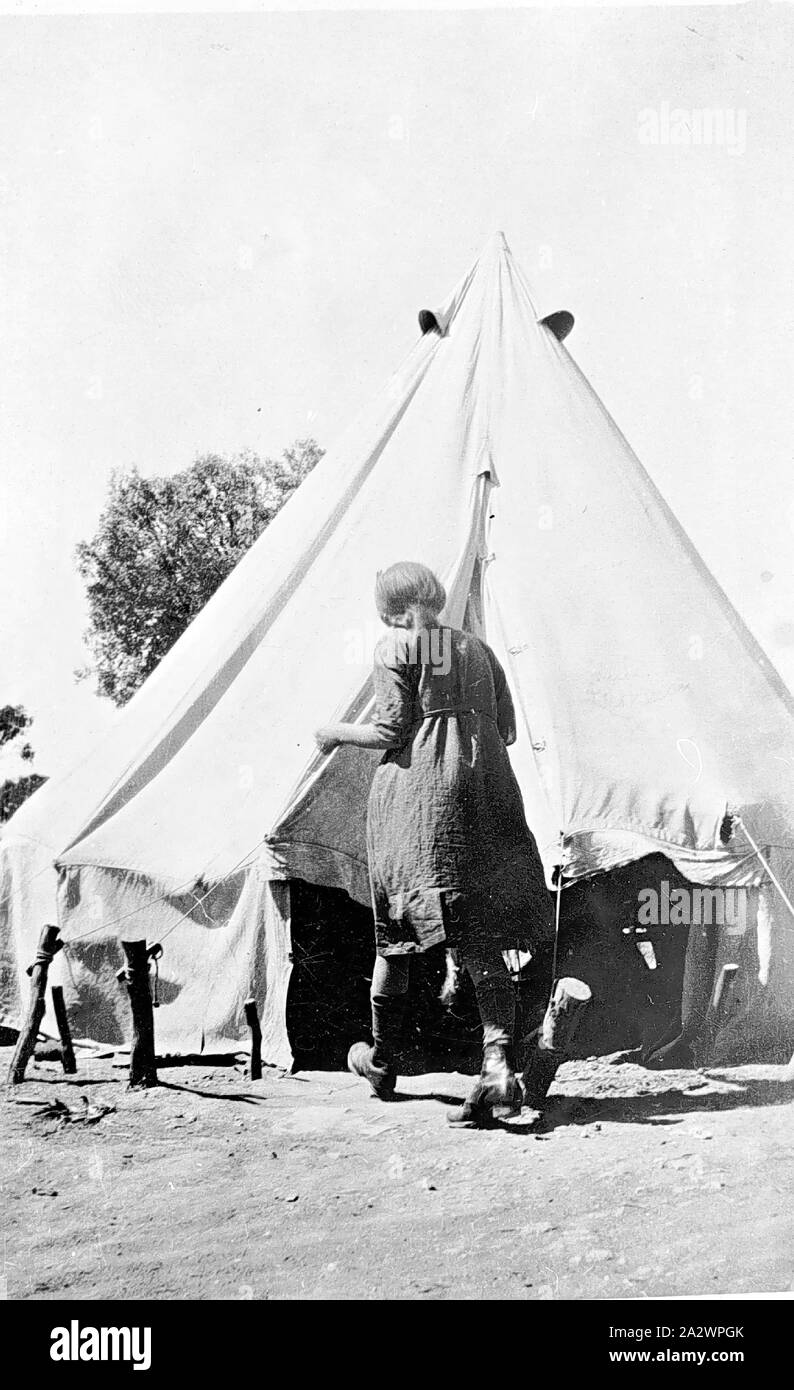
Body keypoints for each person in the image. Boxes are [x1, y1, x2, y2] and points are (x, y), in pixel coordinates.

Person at [315, 561, 552, 1127]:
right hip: (489, 791)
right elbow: (510, 731)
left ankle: (383, 1059)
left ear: (389, 608)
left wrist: (333, 733)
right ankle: (497, 1066)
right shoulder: (479, 649)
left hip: (422, 796)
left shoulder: (397, 644)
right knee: (478, 929)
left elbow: (392, 731)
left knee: (396, 930)